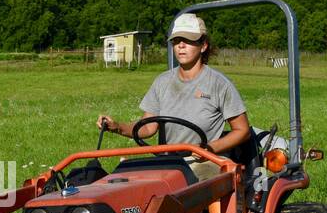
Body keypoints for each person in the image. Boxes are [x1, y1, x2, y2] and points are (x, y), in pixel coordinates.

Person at [96, 12, 250, 180]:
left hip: (204, 161)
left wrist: (209, 149)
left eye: (188, 40)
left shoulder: (219, 84)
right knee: (126, 180)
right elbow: (147, 127)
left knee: (192, 184)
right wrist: (116, 126)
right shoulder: (163, 82)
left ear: (203, 45)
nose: (181, 45)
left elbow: (242, 130)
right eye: (176, 41)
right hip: (168, 161)